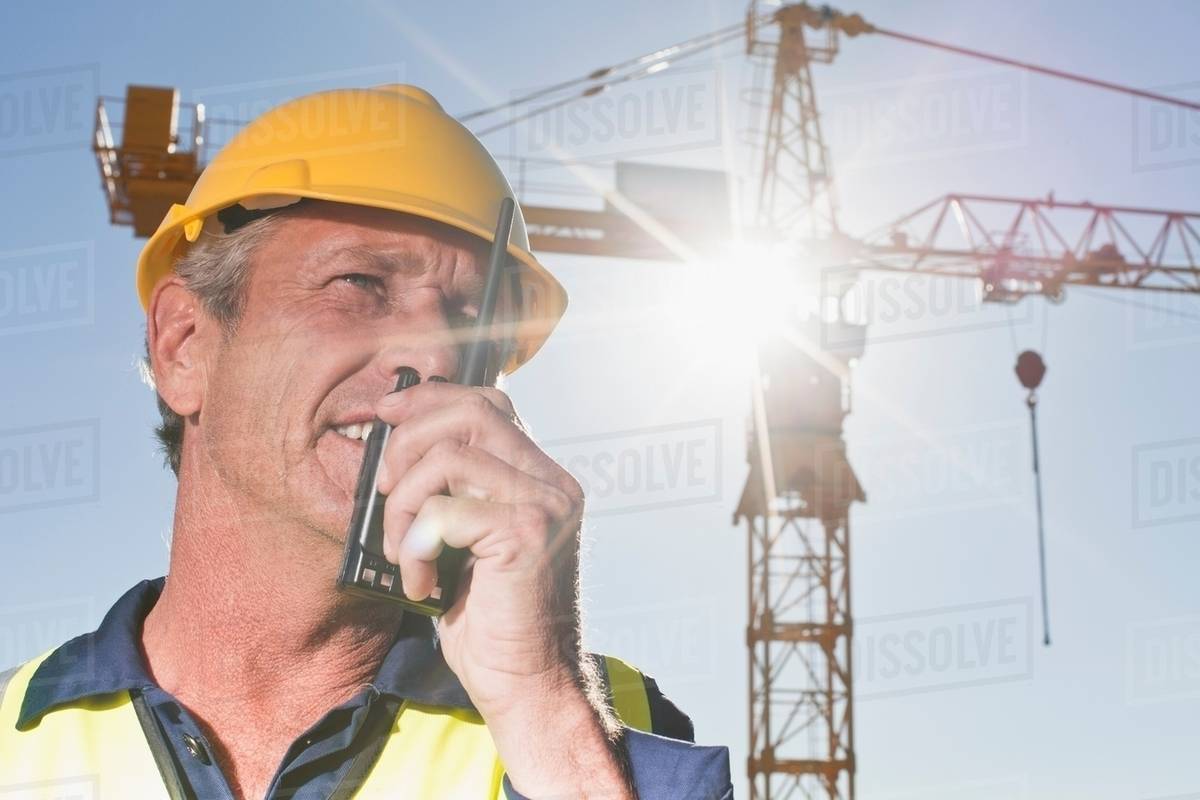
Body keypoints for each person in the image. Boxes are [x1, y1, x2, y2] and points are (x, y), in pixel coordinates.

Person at [0, 85, 733, 799]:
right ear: (184, 346)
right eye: (358, 283)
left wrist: (541, 710)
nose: (439, 355)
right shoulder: (13, 738)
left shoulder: (597, 727)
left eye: (470, 319)